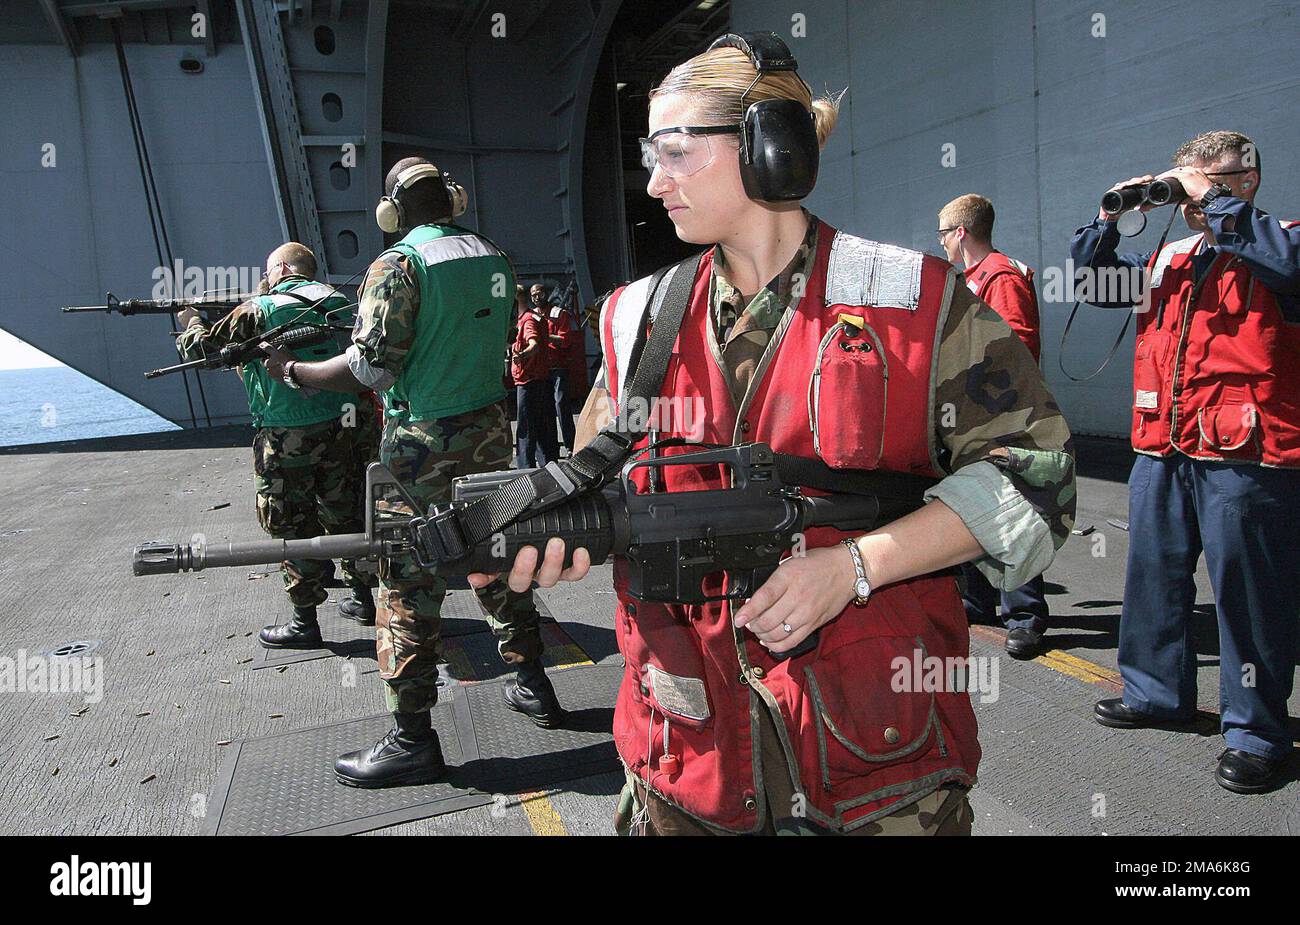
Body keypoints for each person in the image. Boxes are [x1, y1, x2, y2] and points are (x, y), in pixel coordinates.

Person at [473, 32, 1076, 835]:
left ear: (769, 148)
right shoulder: (632, 319)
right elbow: (605, 482)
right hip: (686, 761)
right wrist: (550, 540)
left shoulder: (915, 302)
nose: (654, 183)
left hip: (878, 773)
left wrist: (856, 567)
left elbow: (1037, 476)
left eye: (675, 153)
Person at [261, 158, 566, 788]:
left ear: (391, 210)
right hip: (488, 435)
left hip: (421, 446)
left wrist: (293, 372)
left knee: (404, 584)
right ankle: (535, 685)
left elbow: (369, 368)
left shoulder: (397, 266)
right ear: (449, 200)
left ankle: (413, 739)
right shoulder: (494, 255)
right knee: (497, 560)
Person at [1071, 131, 1300, 794]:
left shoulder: (1280, 236)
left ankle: (1257, 732)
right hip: (1163, 446)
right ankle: (1155, 692)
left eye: (1212, 177)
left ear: (1246, 178)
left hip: (1247, 453)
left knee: (1247, 594)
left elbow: (1285, 267)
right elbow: (1093, 277)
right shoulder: (1168, 255)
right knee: (1151, 576)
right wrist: (1108, 218)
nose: (1194, 191)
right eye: (1189, 178)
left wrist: (1213, 199)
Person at [176, 242, 378, 647]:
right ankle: (362, 598)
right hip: (346, 428)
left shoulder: (258, 310)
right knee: (348, 512)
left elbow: (202, 353)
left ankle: (305, 621)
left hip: (288, 436)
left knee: (291, 524)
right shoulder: (340, 302)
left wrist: (191, 320)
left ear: (281, 267)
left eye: (267, 271)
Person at [938, 193, 1051, 659]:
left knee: (1009, 513)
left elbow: (1015, 346)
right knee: (973, 508)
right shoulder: (973, 279)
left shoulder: (999, 277)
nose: (941, 242)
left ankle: (1026, 616)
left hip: (1001, 419)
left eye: (943, 233)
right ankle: (981, 599)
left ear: (960, 233)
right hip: (974, 417)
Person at [512, 284, 559, 467]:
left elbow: (534, 344)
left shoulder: (527, 321)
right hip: (541, 379)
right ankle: (549, 465)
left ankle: (524, 468)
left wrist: (521, 355)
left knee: (525, 429)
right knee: (543, 427)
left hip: (528, 381)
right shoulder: (537, 317)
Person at [537, 283, 582, 455]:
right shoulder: (533, 316)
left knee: (561, 405)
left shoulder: (558, 314)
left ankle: (570, 445)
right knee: (547, 408)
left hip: (558, 367)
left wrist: (544, 336)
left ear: (546, 294)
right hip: (541, 369)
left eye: (539, 293)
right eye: (533, 295)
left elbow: (565, 340)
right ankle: (552, 447)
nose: (536, 297)